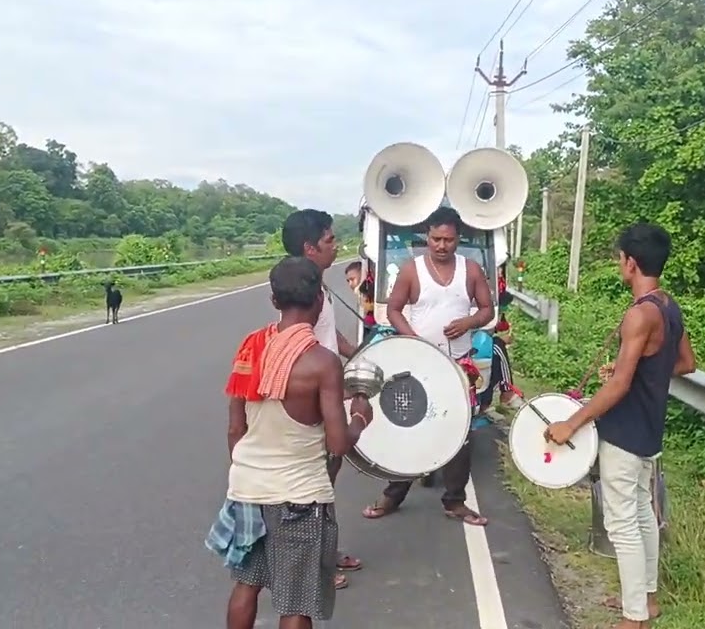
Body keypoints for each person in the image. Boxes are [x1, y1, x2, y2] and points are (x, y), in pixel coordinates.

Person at [542, 223, 696, 629]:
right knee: (643, 514)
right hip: (650, 429)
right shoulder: (667, 304)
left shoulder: (639, 314)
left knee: (622, 523)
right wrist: (637, 368)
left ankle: (633, 620)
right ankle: (646, 600)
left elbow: (620, 386)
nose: (618, 264)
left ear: (630, 262)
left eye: (619, 258)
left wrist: (571, 423)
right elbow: (685, 363)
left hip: (625, 432)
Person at [208, 256, 374, 629]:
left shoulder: (251, 349)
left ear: (273, 300)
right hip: (298, 496)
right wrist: (361, 416)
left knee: (246, 585)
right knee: (295, 601)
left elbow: (236, 430)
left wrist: (252, 472)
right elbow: (338, 444)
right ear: (320, 299)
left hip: (248, 489)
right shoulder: (321, 362)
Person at [362, 206, 496, 527]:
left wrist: (468, 322)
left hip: (460, 365)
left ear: (458, 239)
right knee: (413, 427)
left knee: (460, 432)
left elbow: (487, 309)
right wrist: (413, 340)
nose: (442, 245)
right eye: (436, 239)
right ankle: (393, 495)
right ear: (427, 237)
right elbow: (394, 310)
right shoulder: (412, 270)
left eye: (448, 240)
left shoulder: (471, 270)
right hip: (420, 363)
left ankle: (455, 501)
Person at [280, 209, 363, 588]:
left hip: (327, 393)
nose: (336, 246)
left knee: (326, 482)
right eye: (330, 240)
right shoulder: (303, 294)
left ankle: (324, 552)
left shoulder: (320, 287)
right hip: (316, 404)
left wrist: (362, 352)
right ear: (309, 247)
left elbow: (333, 339)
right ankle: (314, 566)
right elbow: (306, 354)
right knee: (314, 487)